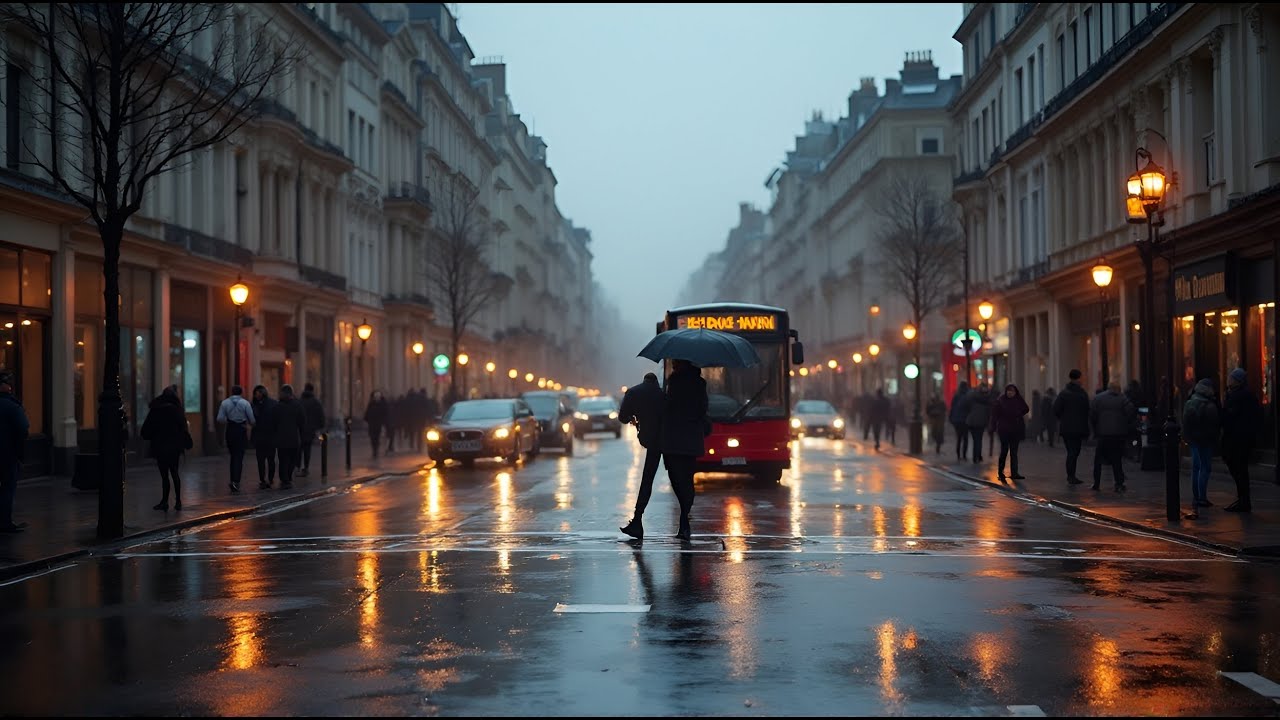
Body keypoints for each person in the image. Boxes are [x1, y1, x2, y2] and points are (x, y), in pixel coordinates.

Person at [661, 359, 708, 542]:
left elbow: (668, 408)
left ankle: (684, 519)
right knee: (687, 479)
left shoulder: (673, 383)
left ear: (681, 364)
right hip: (691, 438)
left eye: (675, 362)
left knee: (676, 479)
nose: (672, 364)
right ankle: (684, 519)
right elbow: (703, 409)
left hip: (673, 438)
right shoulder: (699, 383)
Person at [617, 372, 665, 540]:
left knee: (647, 480)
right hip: (671, 439)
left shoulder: (634, 393)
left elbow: (622, 417)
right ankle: (684, 524)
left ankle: (637, 519)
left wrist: (634, 419)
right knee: (679, 481)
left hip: (651, 441)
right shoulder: (664, 394)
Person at [139, 385, 192, 511]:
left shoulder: (155, 410)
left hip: (160, 446)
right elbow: (183, 428)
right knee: (175, 473)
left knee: (164, 475)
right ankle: (178, 501)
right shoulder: (177, 410)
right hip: (174, 447)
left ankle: (164, 501)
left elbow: (145, 430)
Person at [1220, 367, 1261, 512]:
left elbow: (1229, 417)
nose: (1228, 380)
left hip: (1238, 439)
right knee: (1239, 468)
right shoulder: (1238, 395)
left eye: (1231, 378)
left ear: (1237, 381)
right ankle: (1243, 499)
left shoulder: (1240, 396)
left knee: (1239, 469)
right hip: (1239, 438)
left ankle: (1244, 501)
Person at [1090, 381, 1136, 492]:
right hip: (1118, 434)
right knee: (1117, 460)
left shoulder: (1098, 398)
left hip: (1103, 434)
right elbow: (1131, 412)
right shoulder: (1123, 399)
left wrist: (1096, 428)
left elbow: (1092, 414)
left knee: (1098, 460)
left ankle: (1096, 483)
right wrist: (1125, 424)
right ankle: (1119, 483)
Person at [1182, 377, 1220, 509]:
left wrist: (1187, 438)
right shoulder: (1209, 404)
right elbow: (1214, 424)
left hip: (1193, 440)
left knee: (1196, 467)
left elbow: (1185, 423)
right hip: (1205, 440)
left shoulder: (1190, 401)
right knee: (1205, 467)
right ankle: (1202, 497)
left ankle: (1196, 496)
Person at [0, 372, 30, 532]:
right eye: (6, 383)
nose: (10, 386)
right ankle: (4, 522)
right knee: (7, 488)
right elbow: (23, 427)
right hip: (7, 453)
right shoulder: (12, 405)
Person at [1053, 370, 1090, 486]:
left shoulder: (1064, 393)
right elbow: (1087, 410)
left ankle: (1071, 475)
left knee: (1071, 452)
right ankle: (1071, 476)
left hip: (1067, 428)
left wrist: (1063, 419)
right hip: (1078, 428)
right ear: (1078, 379)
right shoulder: (1082, 393)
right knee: (1074, 452)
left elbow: (1056, 409)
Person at [216, 385, 256, 493]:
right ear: (241, 392)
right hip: (241, 430)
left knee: (233, 456)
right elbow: (252, 420)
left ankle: (232, 479)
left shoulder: (225, 403)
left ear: (231, 392)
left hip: (230, 429)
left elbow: (219, 418)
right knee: (239, 456)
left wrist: (229, 420)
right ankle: (236, 481)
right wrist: (247, 424)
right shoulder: (245, 403)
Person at [989, 383, 1029, 481]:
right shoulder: (1000, 401)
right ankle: (1001, 472)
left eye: (1012, 391)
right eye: (1009, 391)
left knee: (1014, 452)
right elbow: (995, 415)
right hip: (1004, 430)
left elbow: (1026, 409)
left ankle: (1014, 473)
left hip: (1015, 430)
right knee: (1004, 451)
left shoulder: (1018, 400)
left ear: (1015, 392)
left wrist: (1019, 414)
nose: (1010, 393)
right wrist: (992, 427)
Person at [273, 384, 307, 489]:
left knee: (283, 459)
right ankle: (287, 477)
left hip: (281, 438)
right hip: (293, 438)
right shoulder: (297, 405)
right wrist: (302, 435)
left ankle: (285, 479)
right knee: (292, 459)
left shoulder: (278, 406)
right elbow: (302, 422)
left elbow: (273, 423)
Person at [251, 385, 278, 489]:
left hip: (268, 436)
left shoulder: (271, 404)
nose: (256, 395)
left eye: (258, 393)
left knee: (269, 459)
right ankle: (263, 479)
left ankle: (269, 479)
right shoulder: (254, 404)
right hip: (261, 436)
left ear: (262, 393)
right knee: (262, 460)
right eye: (255, 393)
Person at [298, 383, 325, 477]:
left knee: (299, 449)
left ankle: (297, 467)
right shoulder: (316, 402)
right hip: (310, 429)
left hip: (300, 429)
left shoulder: (299, 401)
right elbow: (321, 416)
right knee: (307, 449)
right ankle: (305, 467)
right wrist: (321, 427)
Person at [964, 383, 992, 463]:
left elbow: (967, 405)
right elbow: (989, 411)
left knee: (975, 439)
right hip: (981, 421)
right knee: (978, 439)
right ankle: (977, 456)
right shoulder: (986, 399)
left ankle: (975, 456)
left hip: (972, 421)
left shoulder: (972, 396)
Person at [949, 381, 970, 461]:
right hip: (965, 419)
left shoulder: (956, 396)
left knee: (958, 438)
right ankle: (964, 455)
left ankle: (958, 455)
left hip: (956, 420)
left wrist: (951, 418)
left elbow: (952, 407)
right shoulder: (967, 396)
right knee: (965, 438)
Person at [364, 391, 388, 459]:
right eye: (375, 397)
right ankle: (374, 450)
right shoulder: (371, 404)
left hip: (378, 424)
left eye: (378, 397)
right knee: (372, 438)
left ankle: (375, 450)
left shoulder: (382, 404)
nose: (376, 398)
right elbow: (367, 413)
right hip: (372, 424)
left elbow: (385, 414)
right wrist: (367, 420)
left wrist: (384, 423)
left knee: (376, 438)